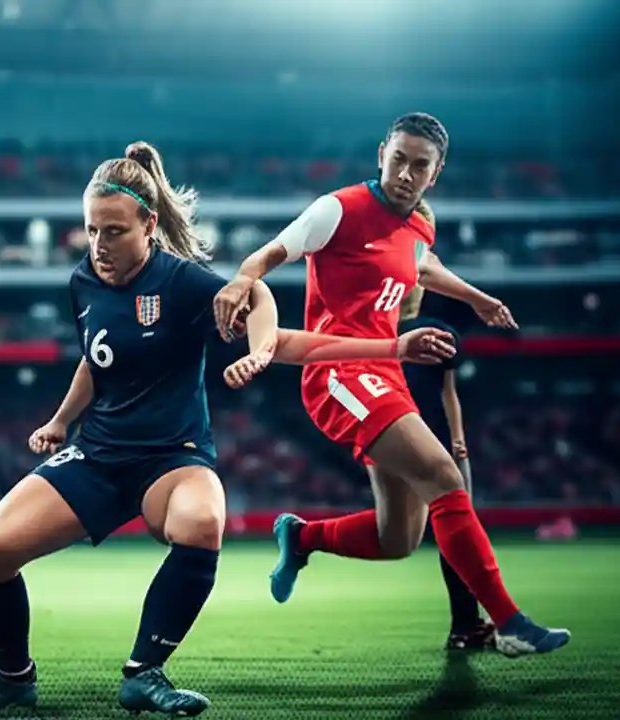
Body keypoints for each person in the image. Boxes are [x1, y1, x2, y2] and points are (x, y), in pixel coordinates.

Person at [0, 142, 457, 717]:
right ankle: (14, 678)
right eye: (91, 230)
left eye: (113, 231)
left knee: (203, 521)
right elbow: (95, 358)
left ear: (150, 225)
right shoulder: (83, 282)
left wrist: (272, 348)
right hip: (97, 456)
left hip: (173, 457)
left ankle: (145, 673)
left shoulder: (184, 283)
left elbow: (260, 299)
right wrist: (62, 420)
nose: (99, 245)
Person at [212, 112, 570, 656]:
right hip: (338, 373)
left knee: (398, 538)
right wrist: (244, 278)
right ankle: (508, 622)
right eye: (398, 158)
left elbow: (423, 268)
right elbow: (270, 253)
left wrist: (477, 297)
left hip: (386, 372)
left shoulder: (419, 226)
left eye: (419, 165)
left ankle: (301, 536)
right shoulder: (339, 209)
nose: (405, 172)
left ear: (436, 172)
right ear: (382, 153)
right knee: (444, 475)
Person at [397, 276, 495, 650]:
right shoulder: (381, 336)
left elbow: (447, 393)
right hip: (417, 440)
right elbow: (448, 394)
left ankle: (466, 623)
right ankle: (465, 624)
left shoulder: (436, 332)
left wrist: (457, 440)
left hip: (423, 439)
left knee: (449, 534)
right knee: (444, 534)